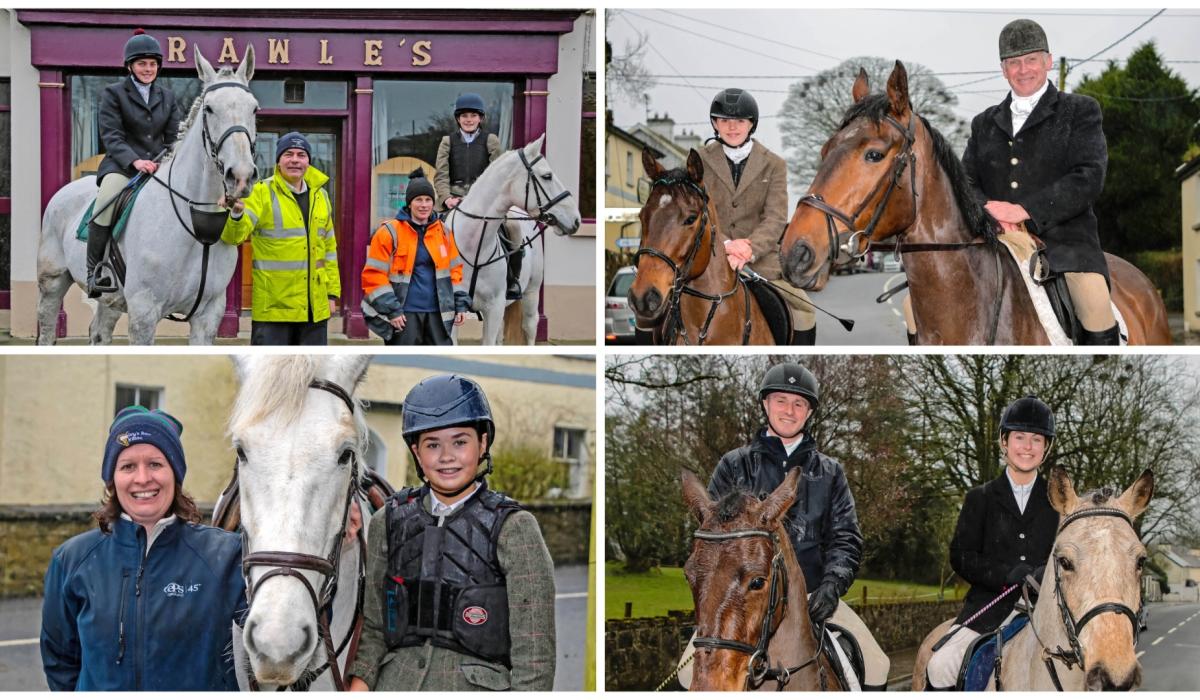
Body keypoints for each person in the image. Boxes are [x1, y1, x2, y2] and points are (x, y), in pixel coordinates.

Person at [347, 375, 556, 691]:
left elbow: (535, 656)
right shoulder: (387, 520)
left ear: (482, 443)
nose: (446, 456)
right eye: (433, 445)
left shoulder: (516, 528)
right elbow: (375, 627)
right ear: (416, 452)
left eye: (460, 442)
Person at [696, 362, 889, 690]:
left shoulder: (831, 472)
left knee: (877, 665)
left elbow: (845, 537)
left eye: (799, 403)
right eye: (781, 401)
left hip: (811, 596)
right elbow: (711, 542)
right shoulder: (733, 465)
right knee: (689, 672)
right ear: (765, 404)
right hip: (738, 603)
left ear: (809, 412)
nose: (789, 410)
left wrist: (832, 585)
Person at [40, 407, 245, 691]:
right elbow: (61, 662)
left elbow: (285, 636)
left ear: (175, 474)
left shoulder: (225, 555)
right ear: (113, 479)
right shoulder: (72, 560)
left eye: (155, 464)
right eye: (127, 466)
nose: (142, 478)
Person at [962, 19, 1117, 345]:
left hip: (1065, 245)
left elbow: (1089, 176)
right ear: (1003, 69)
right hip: (994, 243)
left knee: (1094, 301)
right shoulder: (983, 123)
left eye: (1031, 59)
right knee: (912, 306)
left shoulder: (1080, 111)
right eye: (1013, 62)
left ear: (1048, 61)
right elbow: (966, 182)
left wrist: (1025, 210)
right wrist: (989, 213)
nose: (1023, 69)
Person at [925, 396, 1060, 690]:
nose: (1027, 447)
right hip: (988, 609)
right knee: (940, 667)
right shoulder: (980, 498)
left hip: (1047, 611)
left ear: (1046, 447)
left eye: (1036, 440)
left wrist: (1043, 572)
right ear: (1004, 442)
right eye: (1019, 437)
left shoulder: (1059, 503)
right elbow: (961, 556)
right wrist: (1005, 574)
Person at [701, 89, 818, 345]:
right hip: (709, 260)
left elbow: (775, 218)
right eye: (724, 120)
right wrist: (726, 245)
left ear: (751, 123)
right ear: (714, 123)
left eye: (740, 121)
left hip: (761, 261)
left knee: (805, 311)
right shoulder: (698, 160)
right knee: (651, 310)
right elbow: (696, 213)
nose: (732, 127)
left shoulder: (775, 164)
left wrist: (748, 249)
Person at [87, 29, 184, 298]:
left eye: (152, 64)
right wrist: (135, 161)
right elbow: (111, 136)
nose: (148, 69)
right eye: (142, 63)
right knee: (106, 202)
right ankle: (94, 271)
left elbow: (174, 137)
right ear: (130, 65)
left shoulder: (168, 97)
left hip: (158, 167)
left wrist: (165, 161)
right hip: (121, 166)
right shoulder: (113, 94)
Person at [220, 132, 341, 345]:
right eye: (288, 154)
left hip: (315, 308)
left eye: (301, 155)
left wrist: (331, 294)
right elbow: (233, 237)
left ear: (308, 162)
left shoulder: (320, 196)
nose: (295, 160)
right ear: (278, 161)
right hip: (274, 310)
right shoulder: (261, 192)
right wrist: (237, 213)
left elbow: (329, 249)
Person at [361, 168, 469, 345]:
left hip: (438, 315)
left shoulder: (444, 232)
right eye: (418, 200)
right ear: (409, 203)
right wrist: (392, 310)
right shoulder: (388, 232)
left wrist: (461, 304)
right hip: (404, 315)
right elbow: (374, 275)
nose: (424, 205)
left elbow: (455, 272)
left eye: (428, 200)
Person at [434, 93, 521, 300]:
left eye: (473, 115)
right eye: (464, 116)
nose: (469, 119)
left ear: (480, 118)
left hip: (484, 202)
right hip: (453, 200)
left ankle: (512, 279)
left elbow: (499, 174)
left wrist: (485, 199)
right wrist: (447, 198)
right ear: (458, 119)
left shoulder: (490, 140)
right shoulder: (448, 142)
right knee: (431, 234)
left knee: (514, 227)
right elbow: (441, 175)